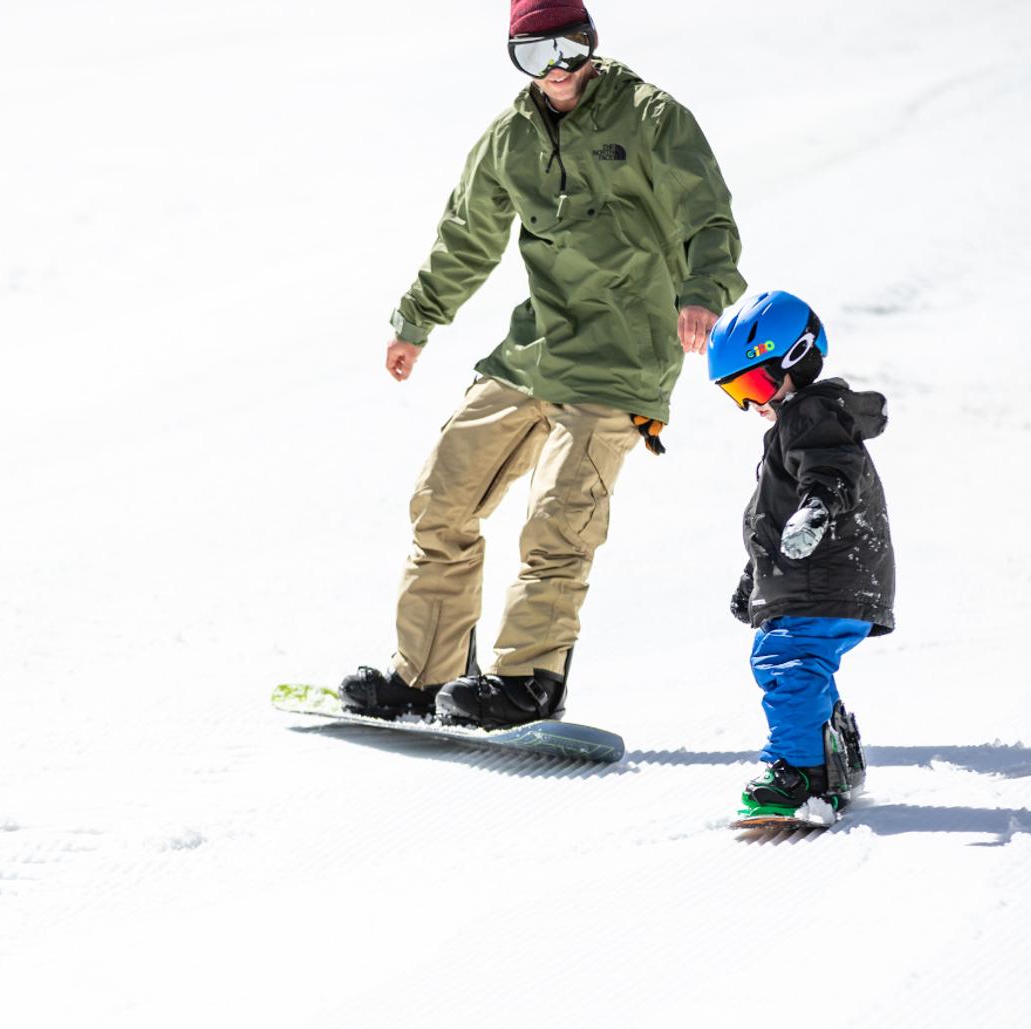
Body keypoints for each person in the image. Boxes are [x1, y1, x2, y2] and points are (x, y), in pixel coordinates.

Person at [337, 0, 745, 729]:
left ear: (592, 42)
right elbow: (468, 235)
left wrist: (701, 292)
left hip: (621, 358)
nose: (557, 69)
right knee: (443, 498)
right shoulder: (511, 138)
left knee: (559, 520)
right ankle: (426, 675)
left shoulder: (652, 117)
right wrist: (416, 321)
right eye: (535, 55)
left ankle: (528, 679)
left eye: (570, 48)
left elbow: (706, 215)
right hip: (535, 350)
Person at [708, 290, 895, 822]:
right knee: (801, 662)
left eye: (756, 385)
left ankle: (802, 773)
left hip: (824, 576)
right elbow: (773, 520)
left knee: (786, 662)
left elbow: (830, 472)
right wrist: (755, 576)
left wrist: (816, 510)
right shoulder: (799, 423)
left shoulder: (812, 415)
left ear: (799, 357)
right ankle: (836, 758)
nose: (753, 404)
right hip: (817, 576)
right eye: (736, 393)